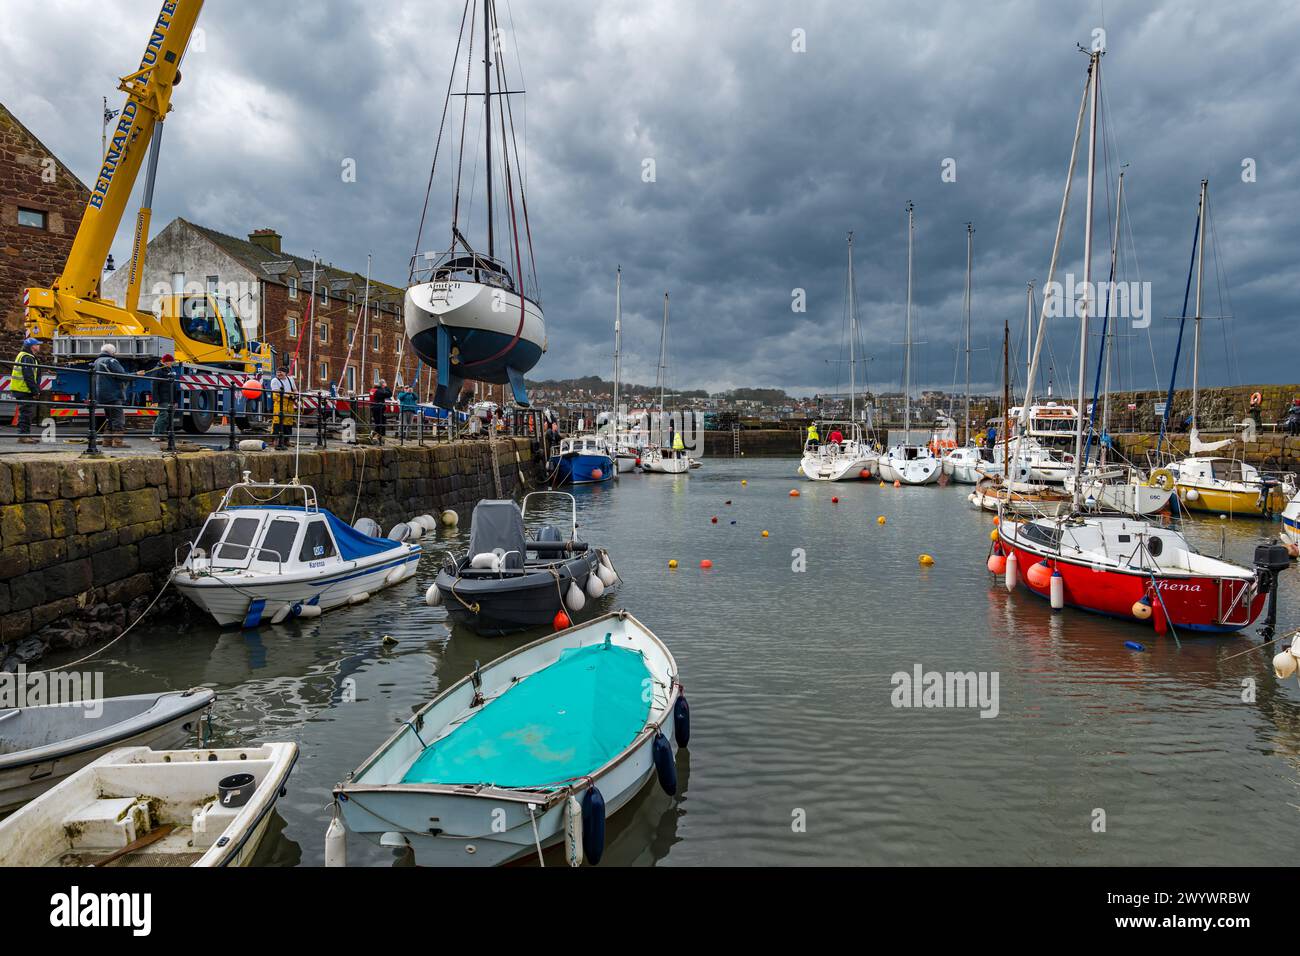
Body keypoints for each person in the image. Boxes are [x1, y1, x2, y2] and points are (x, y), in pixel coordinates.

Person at [92, 343, 130, 447]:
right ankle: (117, 442)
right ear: (112, 352)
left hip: (101, 395)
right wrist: (136, 375)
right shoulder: (111, 361)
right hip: (113, 394)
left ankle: (107, 441)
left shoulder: (96, 361)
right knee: (118, 418)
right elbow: (121, 376)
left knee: (109, 418)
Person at [9, 337, 42, 444]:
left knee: (26, 413)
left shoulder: (24, 356)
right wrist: (35, 391)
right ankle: (23, 436)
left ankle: (25, 435)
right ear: (32, 346)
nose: (39, 346)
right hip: (24, 389)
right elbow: (29, 376)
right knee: (26, 413)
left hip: (21, 389)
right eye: (37, 344)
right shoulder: (27, 357)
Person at [149, 353, 178, 442]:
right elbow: (154, 385)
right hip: (162, 397)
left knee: (168, 416)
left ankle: (161, 434)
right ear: (166, 362)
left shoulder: (169, 369)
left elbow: (174, 386)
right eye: (171, 362)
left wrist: (175, 400)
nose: (172, 363)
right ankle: (155, 435)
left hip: (170, 397)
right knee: (163, 415)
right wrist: (155, 400)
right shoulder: (158, 370)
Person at [269, 365, 297, 449]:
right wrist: (289, 396)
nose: (279, 374)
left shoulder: (290, 379)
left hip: (290, 404)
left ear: (285, 373)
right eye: (277, 372)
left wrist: (296, 396)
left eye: (281, 372)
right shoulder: (275, 380)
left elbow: (295, 389)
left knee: (288, 422)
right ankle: (275, 441)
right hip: (280, 404)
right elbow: (277, 392)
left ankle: (286, 440)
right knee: (278, 421)